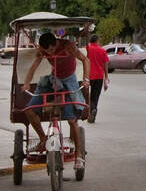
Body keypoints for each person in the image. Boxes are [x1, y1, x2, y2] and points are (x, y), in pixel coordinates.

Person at [21, 31, 89, 164]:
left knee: (72, 120)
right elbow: (34, 66)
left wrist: (86, 79)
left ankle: (79, 155)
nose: (50, 53)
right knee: (29, 110)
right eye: (47, 51)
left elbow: (86, 59)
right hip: (53, 79)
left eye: (52, 50)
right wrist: (27, 83)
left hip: (69, 81)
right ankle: (43, 139)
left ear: (56, 43)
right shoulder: (43, 50)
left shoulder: (68, 47)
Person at [85, 34, 109, 124]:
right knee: (95, 96)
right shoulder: (102, 50)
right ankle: (93, 109)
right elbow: (106, 63)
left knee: (86, 96)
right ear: (97, 41)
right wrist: (106, 77)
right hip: (99, 75)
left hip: (87, 76)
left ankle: (88, 112)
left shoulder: (86, 49)